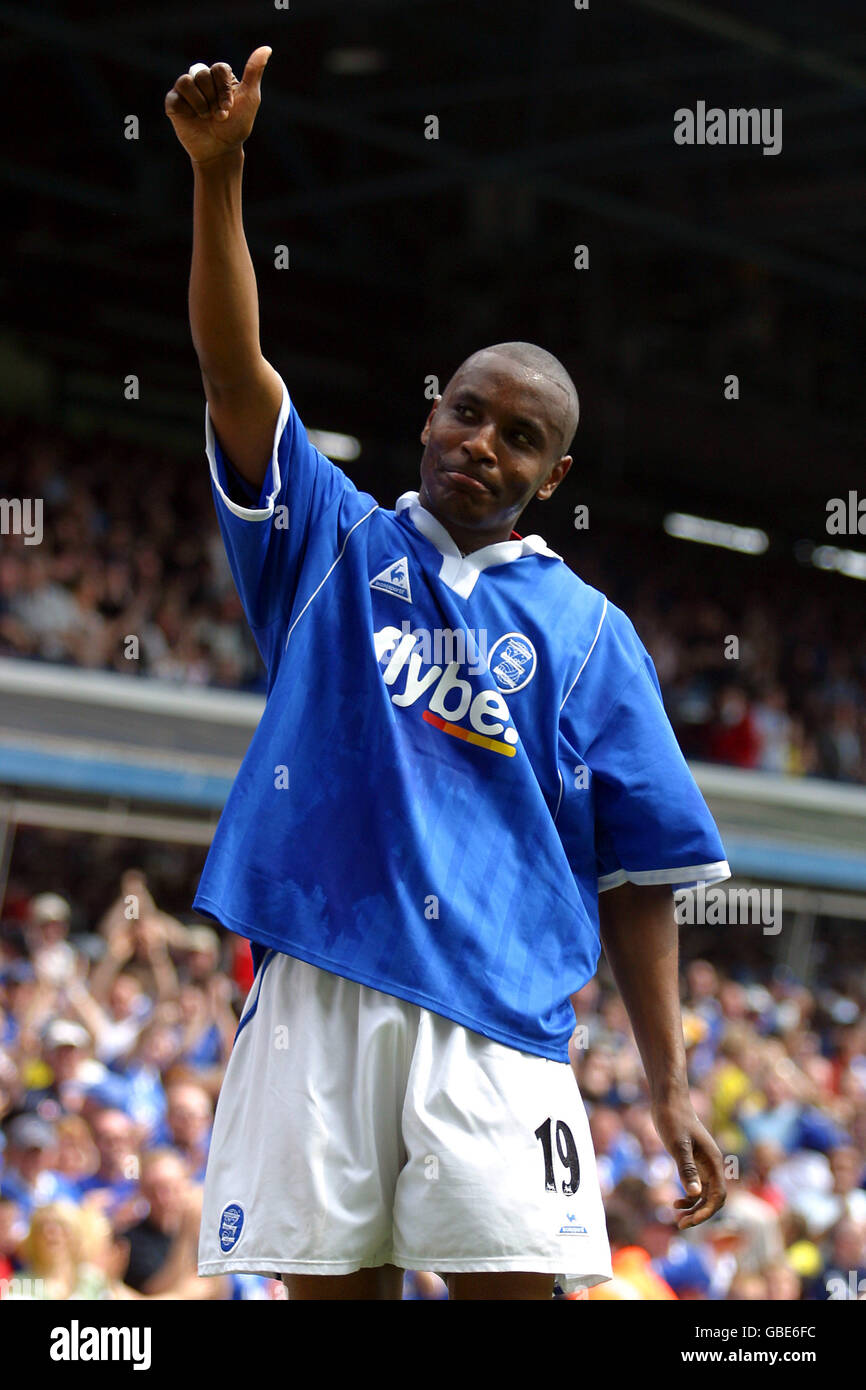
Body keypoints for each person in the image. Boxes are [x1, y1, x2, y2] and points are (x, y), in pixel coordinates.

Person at [165, 47, 730, 1301]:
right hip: (318, 982)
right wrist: (219, 176)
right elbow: (231, 370)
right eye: (467, 411)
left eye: (518, 435)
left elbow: (639, 880)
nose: (481, 441)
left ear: (552, 475)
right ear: (430, 414)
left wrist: (671, 1083)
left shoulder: (591, 637)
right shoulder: (329, 539)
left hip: (498, 1020)